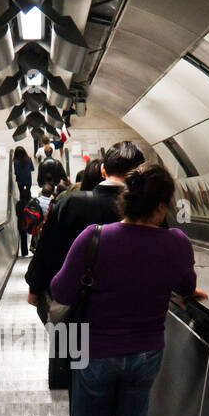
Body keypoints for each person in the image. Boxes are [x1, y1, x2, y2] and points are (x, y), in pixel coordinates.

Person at [50, 163, 204, 416]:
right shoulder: (176, 243)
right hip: (146, 352)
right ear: (161, 206)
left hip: (95, 351)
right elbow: (186, 285)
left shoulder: (93, 238)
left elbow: (61, 292)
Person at [26, 141, 143, 389]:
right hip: (128, 316)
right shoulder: (146, 210)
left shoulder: (71, 203)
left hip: (74, 303)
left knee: (76, 376)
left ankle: (67, 387)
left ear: (103, 171)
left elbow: (47, 250)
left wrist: (35, 287)